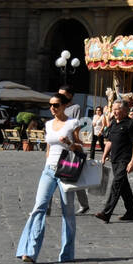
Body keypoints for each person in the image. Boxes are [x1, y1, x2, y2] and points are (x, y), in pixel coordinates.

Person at [15, 96, 84, 263]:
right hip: (49, 171)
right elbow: (48, 147)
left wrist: (69, 143)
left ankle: (67, 254)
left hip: (67, 171)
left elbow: (81, 148)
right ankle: (29, 251)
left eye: (56, 105)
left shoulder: (73, 123)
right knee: (39, 207)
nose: (52, 108)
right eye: (51, 105)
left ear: (64, 106)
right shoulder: (47, 124)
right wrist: (47, 164)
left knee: (68, 213)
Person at [95, 99, 133, 223]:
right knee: (124, 187)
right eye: (113, 109)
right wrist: (104, 155)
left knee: (116, 185)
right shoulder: (113, 123)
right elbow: (110, 141)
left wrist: (132, 162)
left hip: (124, 160)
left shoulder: (130, 124)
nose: (114, 111)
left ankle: (106, 213)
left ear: (125, 110)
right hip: (114, 159)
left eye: (117, 109)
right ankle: (131, 212)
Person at [57, 85, 91, 214]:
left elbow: (75, 125)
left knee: (74, 176)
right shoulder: (58, 106)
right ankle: (45, 207)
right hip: (59, 145)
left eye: (63, 94)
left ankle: (84, 204)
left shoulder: (75, 108)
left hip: (70, 145)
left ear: (70, 95)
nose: (59, 96)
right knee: (54, 175)